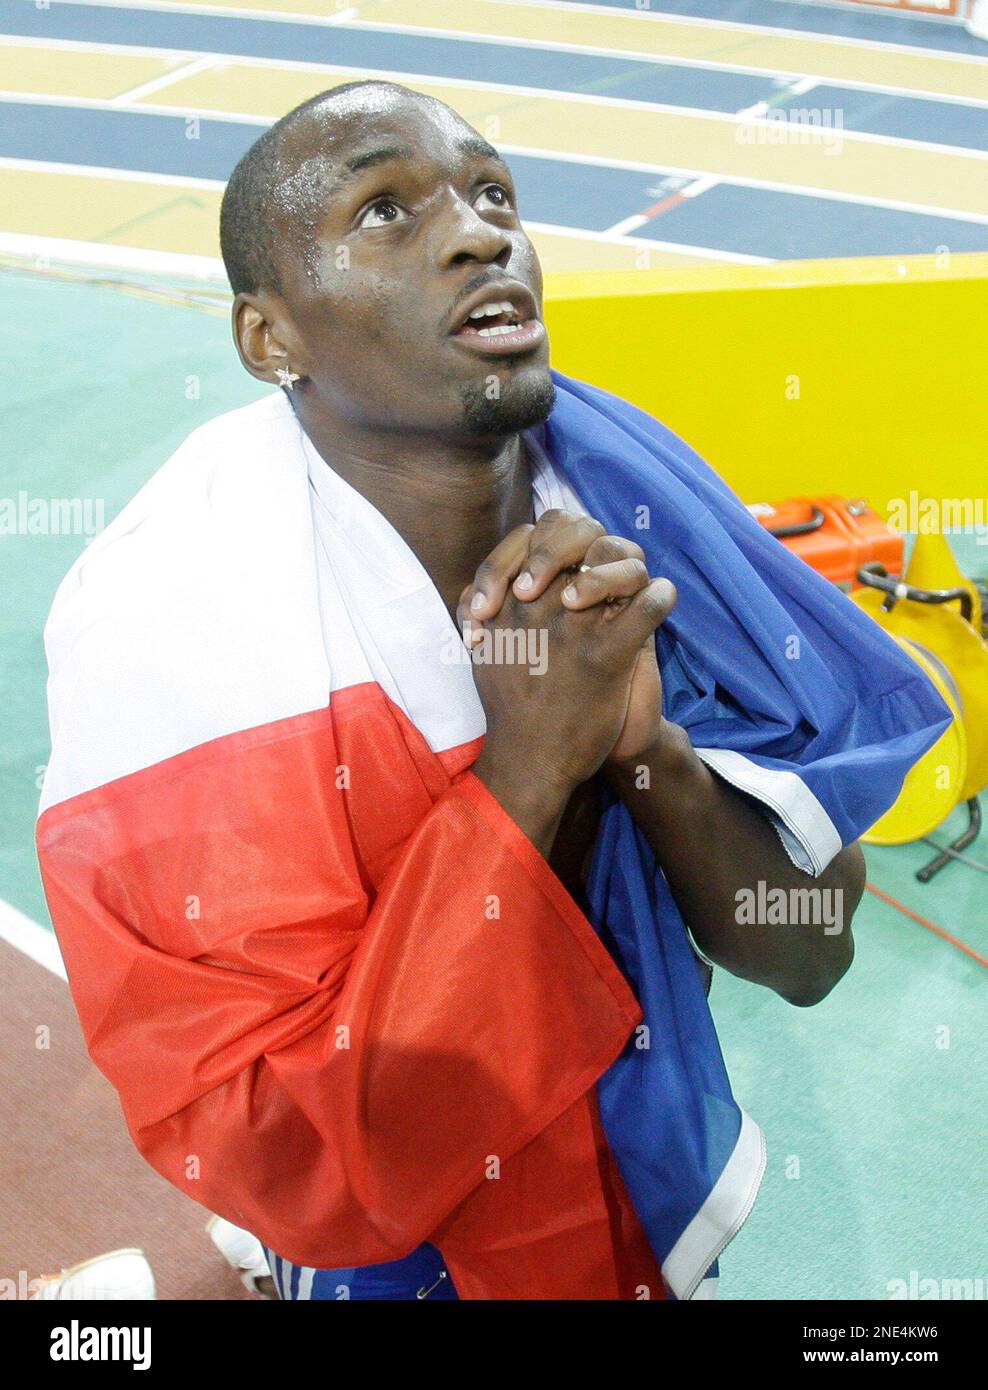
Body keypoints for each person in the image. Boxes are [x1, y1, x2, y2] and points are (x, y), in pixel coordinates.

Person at [36, 81, 951, 1301]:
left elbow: (808, 950)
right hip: (383, 1258)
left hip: (640, 1184)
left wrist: (646, 753)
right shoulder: (174, 623)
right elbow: (298, 1155)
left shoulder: (632, 508)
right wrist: (530, 764)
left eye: (491, 194)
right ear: (271, 339)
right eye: (382, 211)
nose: (477, 234)